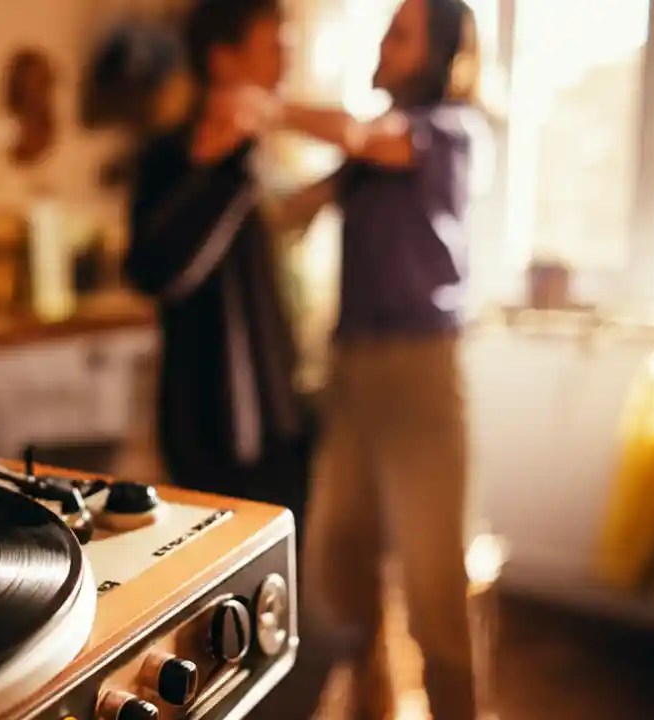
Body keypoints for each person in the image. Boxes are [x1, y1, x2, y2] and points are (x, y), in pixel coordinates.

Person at [273, 1, 488, 718]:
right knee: (342, 583)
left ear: (438, 54)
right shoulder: (363, 162)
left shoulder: (446, 133)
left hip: (420, 377)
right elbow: (289, 211)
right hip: (351, 376)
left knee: (435, 598)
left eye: (401, 34)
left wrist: (266, 107)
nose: (384, 44)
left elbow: (369, 135)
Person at [124, 0, 315, 523]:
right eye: (274, 46)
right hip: (211, 426)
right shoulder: (169, 157)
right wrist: (220, 165)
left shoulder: (257, 157)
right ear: (223, 60)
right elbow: (151, 271)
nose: (286, 62)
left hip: (279, 418)